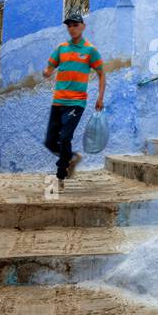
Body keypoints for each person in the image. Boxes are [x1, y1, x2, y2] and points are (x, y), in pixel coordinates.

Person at [41, 11, 105, 186]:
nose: (72, 28)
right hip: (58, 101)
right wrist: (46, 72)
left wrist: (100, 97)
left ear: (83, 27)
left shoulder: (90, 51)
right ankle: (71, 158)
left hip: (76, 103)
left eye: (75, 25)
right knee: (49, 142)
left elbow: (101, 73)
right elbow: (49, 67)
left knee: (65, 137)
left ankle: (61, 175)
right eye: (69, 25)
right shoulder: (61, 48)